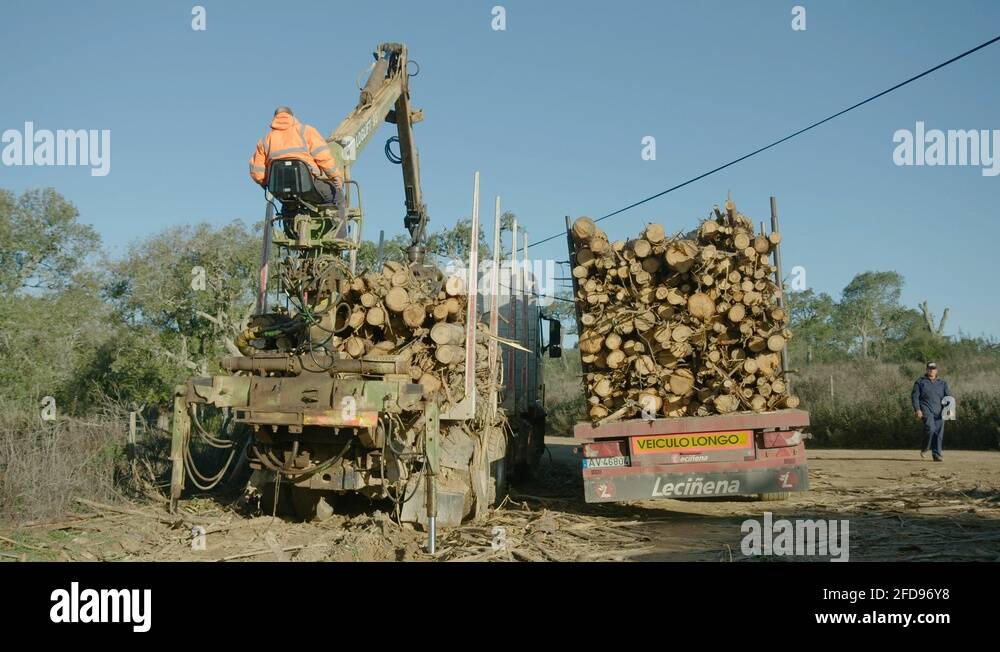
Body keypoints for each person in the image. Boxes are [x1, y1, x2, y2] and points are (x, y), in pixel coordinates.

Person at [249, 106, 344, 208]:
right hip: (309, 186)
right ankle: (337, 221)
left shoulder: (265, 141)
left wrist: (266, 183)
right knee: (338, 197)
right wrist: (335, 176)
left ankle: (289, 217)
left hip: (281, 191)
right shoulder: (306, 131)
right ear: (292, 116)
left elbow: (257, 172)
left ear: (275, 118)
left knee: (288, 207)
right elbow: (323, 157)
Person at [911, 362, 952, 462]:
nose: (931, 370)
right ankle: (925, 448)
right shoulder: (920, 382)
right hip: (925, 408)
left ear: (936, 370)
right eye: (929, 368)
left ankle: (936, 454)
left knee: (938, 433)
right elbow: (915, 397)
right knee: (930, 427)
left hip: (939, 410)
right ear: (926, 370)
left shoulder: (942, 383)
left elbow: (948, 397)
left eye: (933, 369)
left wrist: (949, 410)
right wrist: (917, 409)